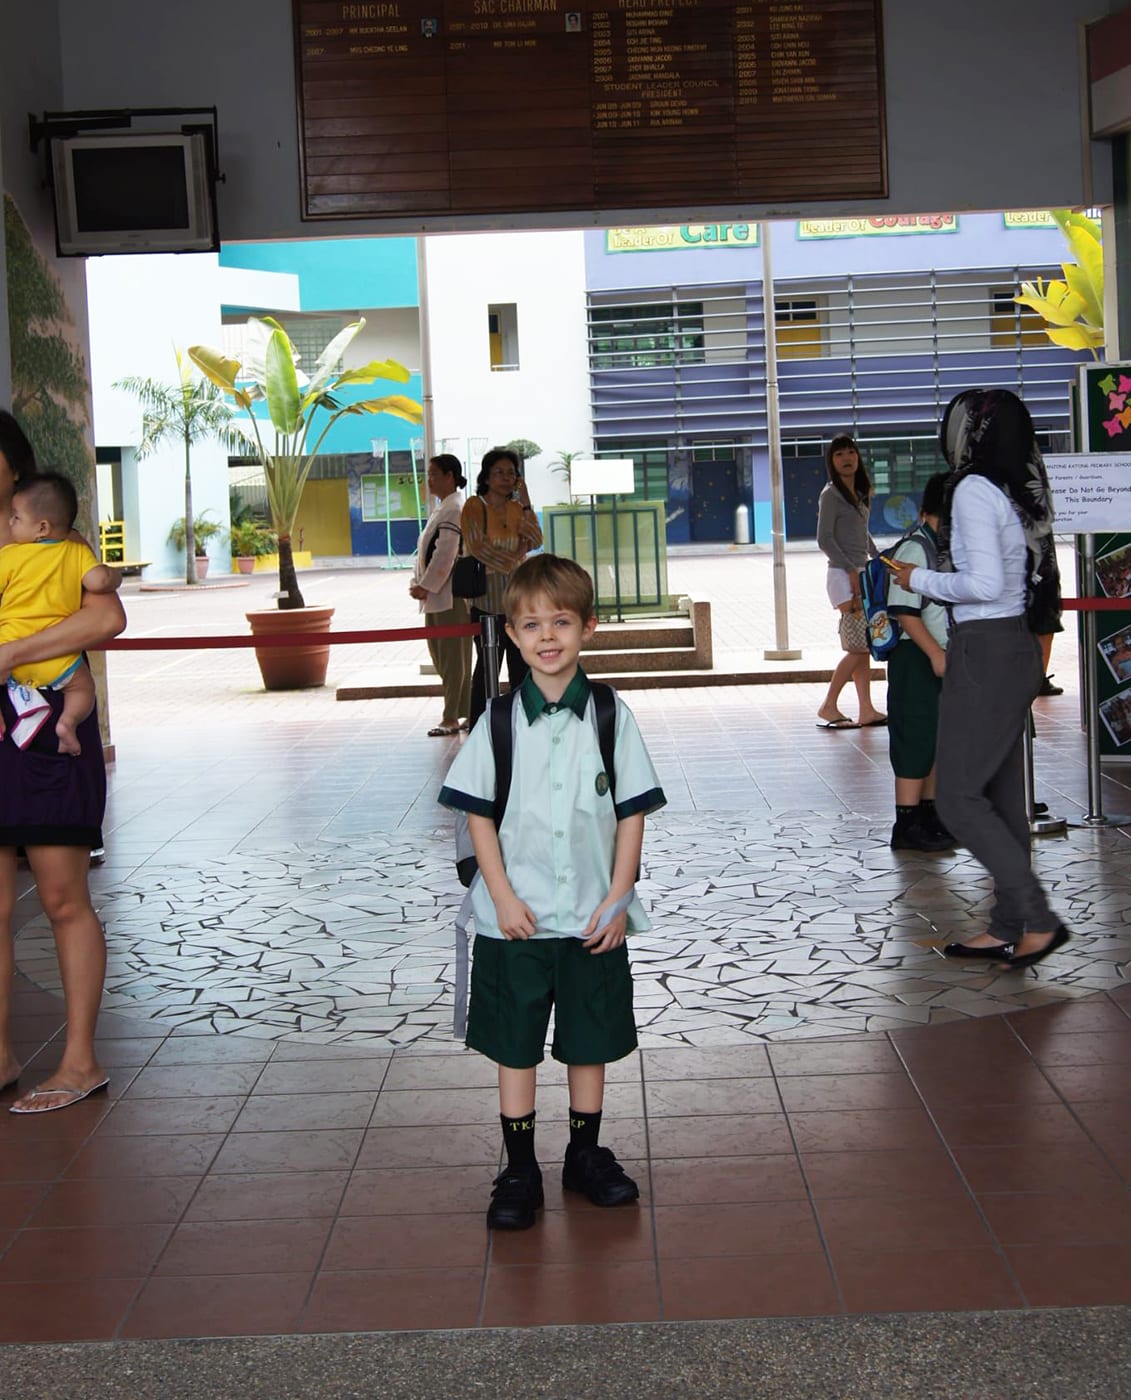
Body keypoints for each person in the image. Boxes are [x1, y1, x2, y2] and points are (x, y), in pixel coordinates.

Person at [438, 554, 666, 1231]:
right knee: (515, 1043)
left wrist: (620, 895)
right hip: (515, 921)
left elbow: (632, 811)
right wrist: (501, 897)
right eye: (531, 624)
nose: (546, 637)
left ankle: (584, 1155)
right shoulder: (499, 720)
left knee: (588, 1039)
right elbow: (476, 813)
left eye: (561, 622)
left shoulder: (608, 714)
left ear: (587, 628)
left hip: (593, 917)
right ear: (510, 633)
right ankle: (518, 1166)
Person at [889, 388, 1069, 970]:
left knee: (962, 800)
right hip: (1016, 647)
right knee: (1003, 799)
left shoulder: (971, 490)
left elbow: (984, 584)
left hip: (985, 651)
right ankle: (1007, 924)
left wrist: (919, 580)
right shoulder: (1014, 492)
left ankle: (1036, 919)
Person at [0, 410, 126, 1113]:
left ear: (13, 465)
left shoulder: (56, 540)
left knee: (59, 897)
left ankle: (80, 1062)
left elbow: (107, 619)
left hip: (48, 728)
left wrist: (11, 654)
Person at [0, 472, 120, 755]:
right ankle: (67, 723)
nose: (10, 522)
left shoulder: (10, 555)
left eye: (16, 517)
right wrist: (116, 576)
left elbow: (111, 618)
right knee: (82, 688)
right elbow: (99, 582)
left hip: (8, 650)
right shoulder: (75, 552)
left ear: (41, 527)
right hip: (58, 658)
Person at [885, 473, 953, 852]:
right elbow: (904, 612)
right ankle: (906, 823)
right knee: (915, 738)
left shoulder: (940, 547)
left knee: (934, 739)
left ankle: (929, 814)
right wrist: (935, 653)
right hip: (917, 655)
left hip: (934, 655)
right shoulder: (915, 549)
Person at [461, 448, 543, 728]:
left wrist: (527, 499)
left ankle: (522, 724)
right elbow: (477, 547)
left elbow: (536, 537)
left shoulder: (516, 508)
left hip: (517, 602)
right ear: (486, 476)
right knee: (486, 669)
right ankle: (480, 727)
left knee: (522, 666)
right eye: (499, 472)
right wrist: (514, 557)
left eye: (511, 473)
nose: (506, 478)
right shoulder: (474, 505)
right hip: (486, 600)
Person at [815, 433, 886, 729]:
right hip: (843, 575)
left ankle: (866, 709)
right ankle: (828, 704)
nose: (847, 458)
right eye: (839, 454)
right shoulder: (830, 494)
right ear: (832, 461)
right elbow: (824, 539)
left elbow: (862, 533)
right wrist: (851, 570)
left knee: (861, 644)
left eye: (851, 453)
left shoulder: (860, 492)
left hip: (860, 572)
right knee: (859, 647)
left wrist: (878, 559)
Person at [409, 453, 472, 736]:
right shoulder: (445, 507)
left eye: (434, 474)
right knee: (445, 654)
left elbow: (446, 552)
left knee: (452, 657)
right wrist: (418, 581)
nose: (429, 480)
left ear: (450, 476)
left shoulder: (454, 508)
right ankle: (465, 711)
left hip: (449, 596)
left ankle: (451, 716)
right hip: (438, 595)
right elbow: (426, 550)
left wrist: (426, 585)